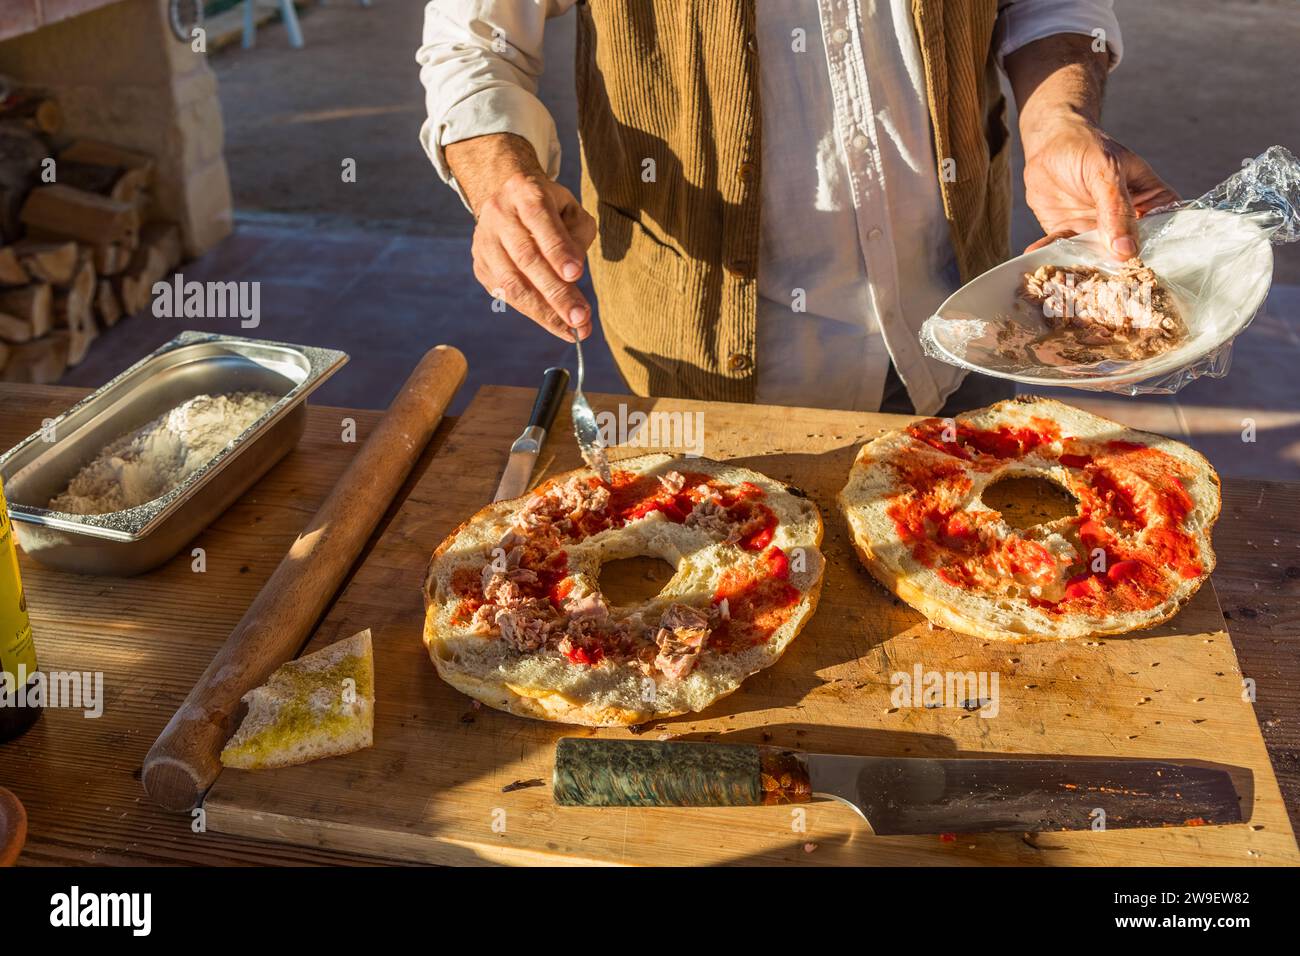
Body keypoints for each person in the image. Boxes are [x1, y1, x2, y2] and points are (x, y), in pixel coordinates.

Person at [417, 0, 1177, 415]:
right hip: (712, 366)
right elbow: (474, 40)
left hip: (960, 323)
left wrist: (1057, 124)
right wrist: (500, 176)